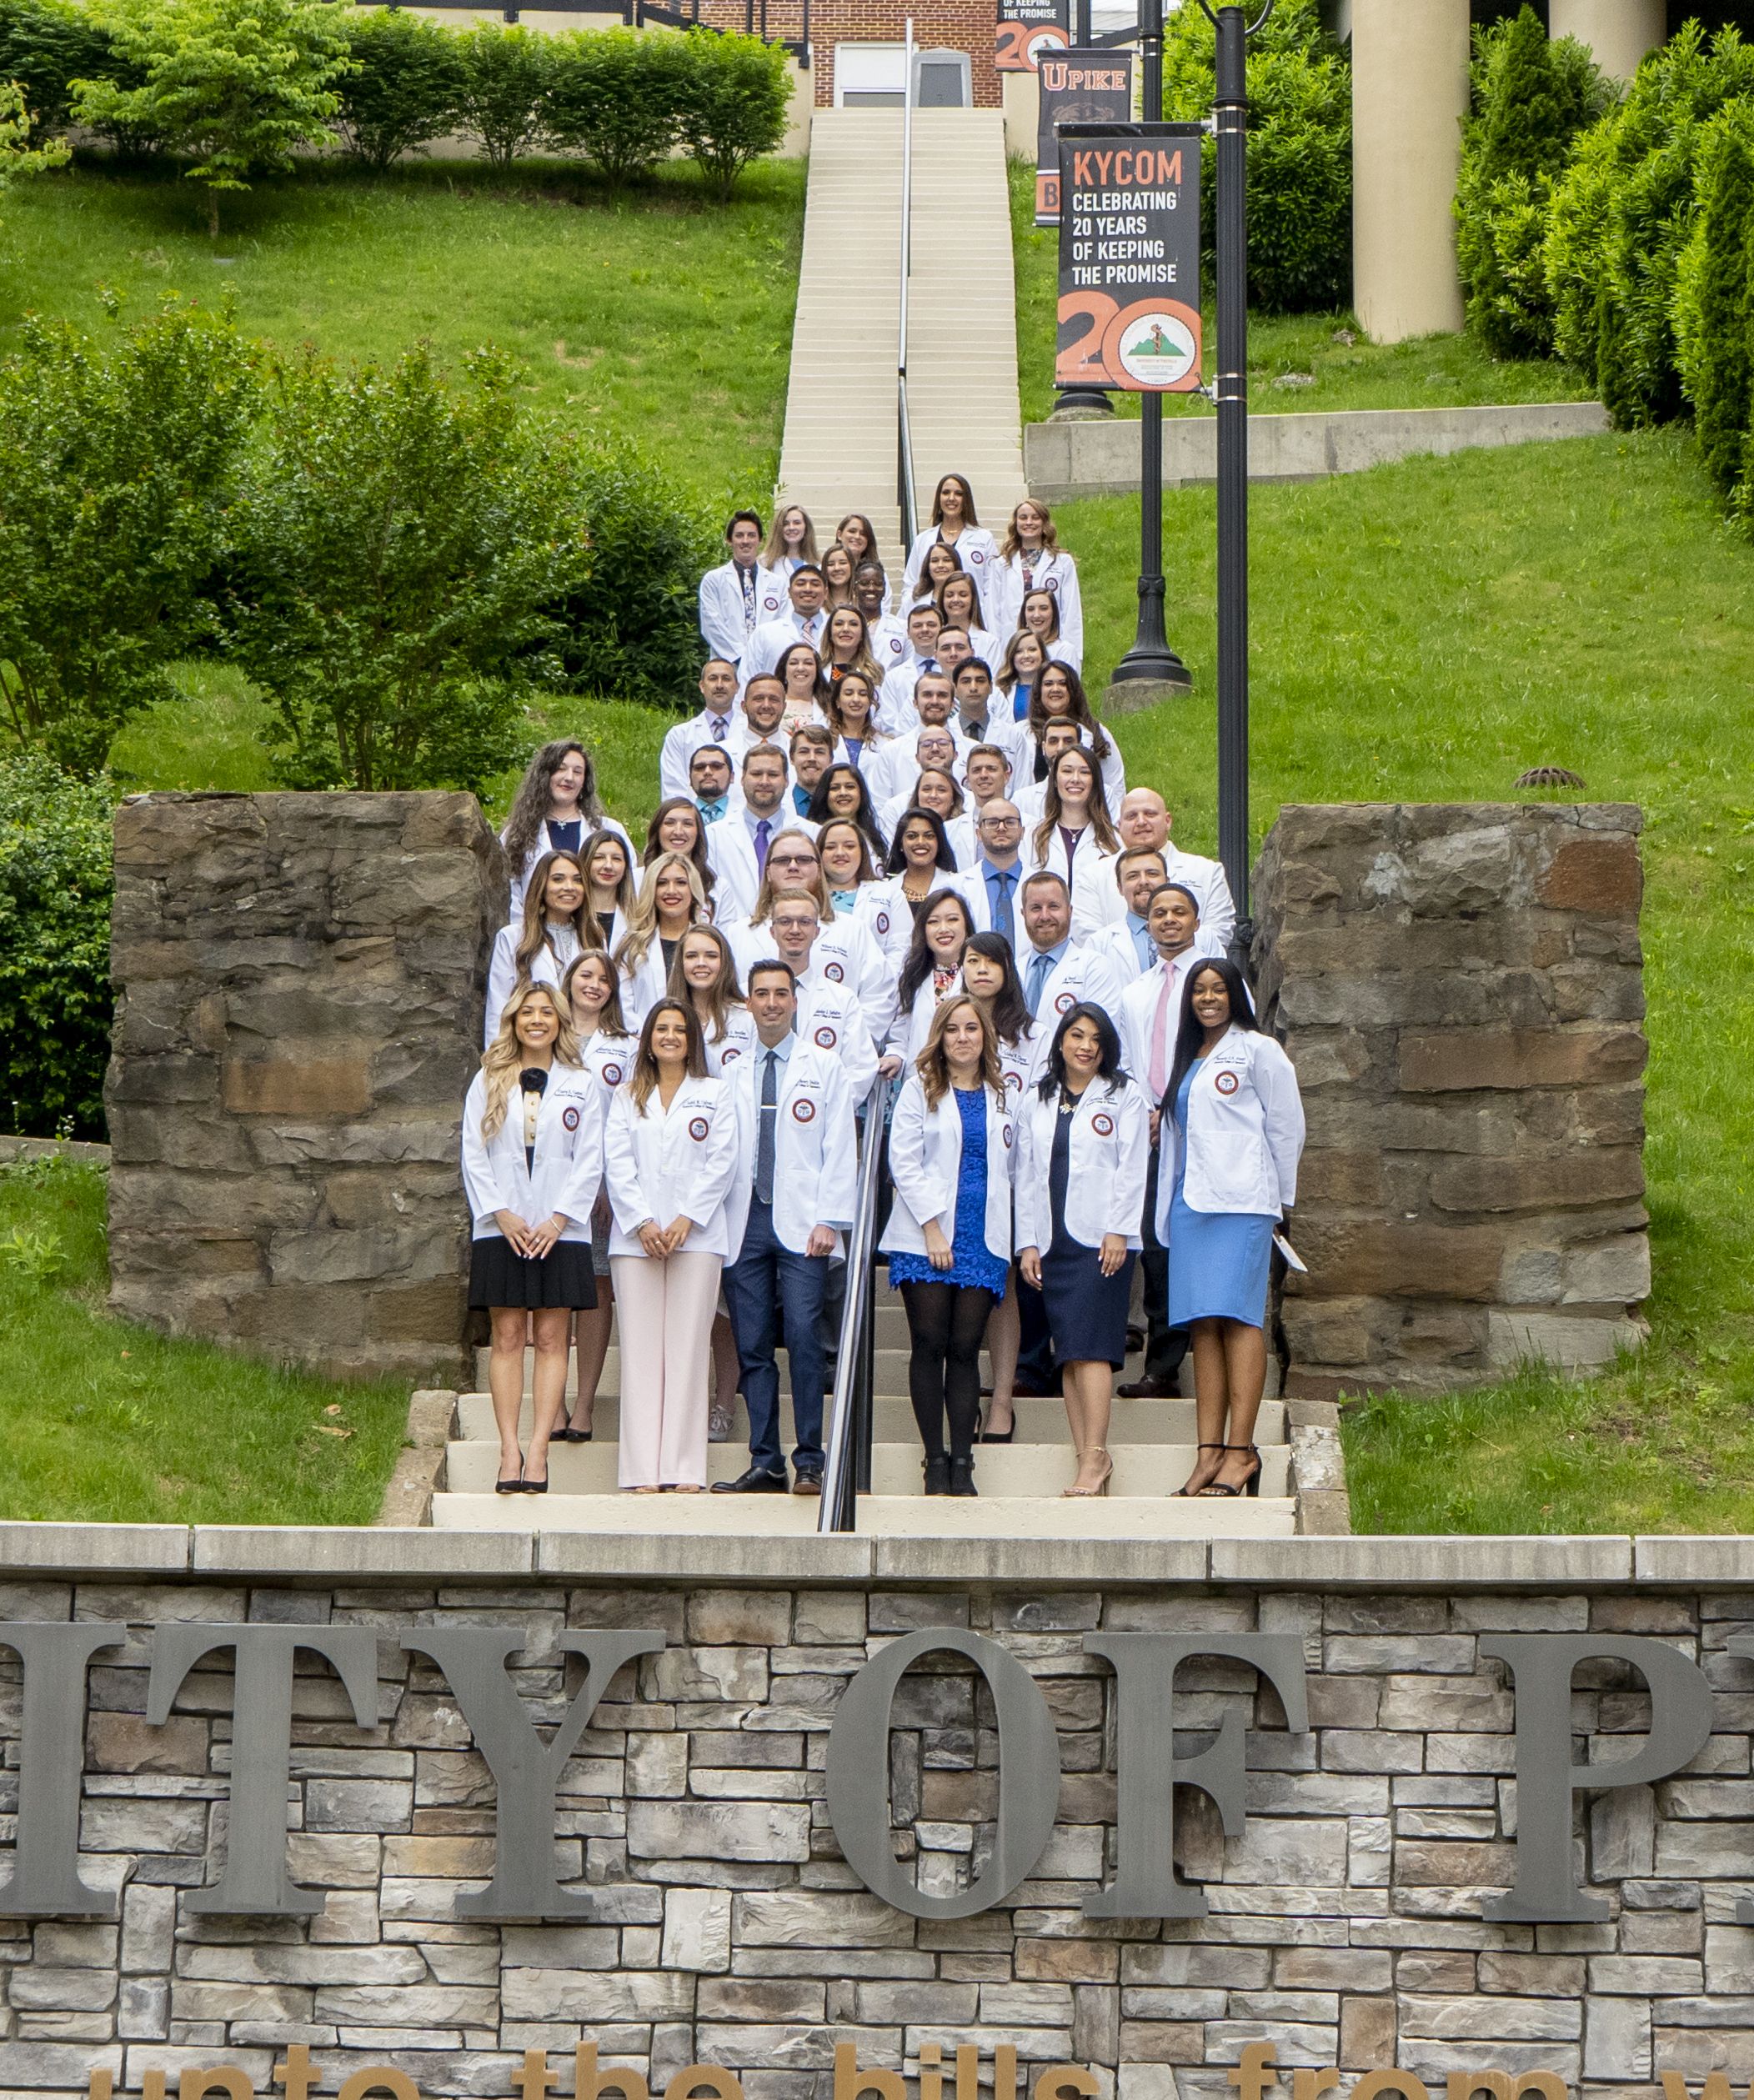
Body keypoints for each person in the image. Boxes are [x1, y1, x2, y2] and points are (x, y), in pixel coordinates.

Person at [1159, 956, 1305, 1498]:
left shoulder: (1258, 1050)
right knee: (1202, 1325)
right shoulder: (1186, 1055)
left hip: (1243, 1202)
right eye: (1199, 990)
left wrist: (1280, 1200)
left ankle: (1241, 1451)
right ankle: (1208, 1453)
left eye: (1218, 988)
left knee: (1240, 1319)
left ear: (1235, 994)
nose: (1208, 998)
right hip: (1190, 1204)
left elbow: (1287, 1124)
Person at [715, 960, 859, 1496]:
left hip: (804, 1224)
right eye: (762, 994)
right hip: (745, 1219)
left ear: (795, 1002)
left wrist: (829, 1220)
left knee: (802, 1335)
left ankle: (811, 1459)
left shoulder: (825, 1066)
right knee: (753, 1344)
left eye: (781, 993)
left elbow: (840, 1146)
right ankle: (766, 1459)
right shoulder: (730, 1071)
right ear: (748, 1003)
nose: (771, 1003)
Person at [461, 980, 602, 1495]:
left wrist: (559, 1219)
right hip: (502, 1227)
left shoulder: (581, 1083)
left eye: (546, 1012)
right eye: (527, 1013)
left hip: (560, 1231)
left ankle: (539, 1449)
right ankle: (508, 1449)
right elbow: (473, 1152)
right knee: (506, 1337)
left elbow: (591, 1157)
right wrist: (500, 1213)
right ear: (514, 1022)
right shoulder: (488, 1078)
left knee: (550, 1338)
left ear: (560, 1021)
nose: (537, 1020)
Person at [880, 996, 1014, 1496]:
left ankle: (963, 1462)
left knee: (964, 1350)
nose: (962, 1038)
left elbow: (1018, 1167)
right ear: (939, 1036)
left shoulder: (1004, 1094)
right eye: (953, 1029)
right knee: (930, 1344)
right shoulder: (920, 1089)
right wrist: (932, 1227)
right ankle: (934, 1461)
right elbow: (903, 1161)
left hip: (982, 1237)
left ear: (985, 1036)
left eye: (971, 1028)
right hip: (926, 1237)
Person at [604, 1000, 739, 1492]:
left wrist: (686, 1219)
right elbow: (617, 1162)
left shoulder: (715, 1093)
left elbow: (722, 1162)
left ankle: (683, 1467)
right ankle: (641, 1469)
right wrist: (642, 1222)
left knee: (687, 1349)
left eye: (680, 1029)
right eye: (661, 1028)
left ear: (692, 1040)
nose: (670, 1036)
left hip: (697, 1237)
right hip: (635, 1239)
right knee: (641, 1351)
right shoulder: (626, 1096)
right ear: (648, 1039)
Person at [1015, 1004, 1147, 1498]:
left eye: (1095, 1038)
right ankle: (1086, 1455)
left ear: (1107, 1046)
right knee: (1069, 1353)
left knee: (1091, 1348)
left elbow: (1132, 1167)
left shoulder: (1124, 1095)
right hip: (1052, 1239)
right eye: (1076, 1035)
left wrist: (1119, 1230)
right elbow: (1025, 1174)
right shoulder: (1038, 1096)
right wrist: (1027, 1242)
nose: (1086, 1046)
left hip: (1101, 1242)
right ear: (1061, 1042)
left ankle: (1097, 1455)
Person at [1117, 880, 1210, 1402]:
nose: (1169, 920)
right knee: (1154, 1247)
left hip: (1199, 1129)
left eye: (1179, 912)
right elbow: (1129, 1061)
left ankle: (1182, 1354)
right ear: (1147, 924)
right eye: (1159, 913)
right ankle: (1162, 1368)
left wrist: (1174, 1105)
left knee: (1189, 1242)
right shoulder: (1137, 991)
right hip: (1149, 1131)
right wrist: (1146, 1112)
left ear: (1196, 921)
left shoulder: (1214, 983)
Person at [957, 931, 1040, 1441]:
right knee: (957, 1289)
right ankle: (961, 1394)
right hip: (956, 1178)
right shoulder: (948, 1026)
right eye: (972, 961)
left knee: (1002, 1289)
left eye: (991, 961)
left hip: (1011, 1177)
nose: (982, 970)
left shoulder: (1032, 1036)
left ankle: (1002, 1401)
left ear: (1008, 970)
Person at [557, 952, 635, 1445]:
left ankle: (584, 1402)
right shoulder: (546, 1036)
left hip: (603, 1190)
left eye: (604, 979)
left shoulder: (625, 1046)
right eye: (586, 975)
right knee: (552, 1293)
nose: (594, 985)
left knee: (596, 1289)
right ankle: (554, 1401)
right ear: (568, 981)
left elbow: (625, 1121)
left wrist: (608, 1182)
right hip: (549, 1185)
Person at [1072, 786, 1238, 950]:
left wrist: (1173, 959)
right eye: (1132, 816)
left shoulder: (1208, 872)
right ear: (1119, 825)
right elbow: (1086, 936)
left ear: (1168, 820)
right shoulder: (1091, 876)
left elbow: (1219, 932)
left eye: (1150, 814)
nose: (1141, 822)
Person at [500, 741, 629, 919]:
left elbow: (629, 885)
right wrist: (525, 930)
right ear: (545, 776)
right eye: (561, 769)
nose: (569, 778)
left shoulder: (609, 829)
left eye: (577, 772)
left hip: (597, 928)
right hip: (532, 929)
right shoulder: (516, 833)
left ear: (584, 781)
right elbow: (508, 889)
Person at [484, 850, 592, 1047]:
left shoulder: (593, 938)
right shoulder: (513, 937)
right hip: (527, 1047)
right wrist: (496, 1055)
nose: (569, 887)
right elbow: (498, 1006)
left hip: (580, 1046)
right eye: (558, 879)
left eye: (577, 880)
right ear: (541, 886)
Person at [709, 745, 813, 923]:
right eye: (756, 774)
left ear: (787, 780)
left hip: (796, 931)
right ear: (742, 778)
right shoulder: (713, 836)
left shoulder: (811, 833)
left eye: (773, 774)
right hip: (731, 933)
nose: (764, 782)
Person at [884, 887, 975, 1075]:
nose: (943, 929)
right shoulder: (912, 977)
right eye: (933, 922)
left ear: (967, 925)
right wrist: (895, 1056)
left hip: (967, 1078)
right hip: (920, 1081)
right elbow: (901, 1035)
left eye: (952, 920)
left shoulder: (979, 977)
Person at [1017, 871, 1125, 1028]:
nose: (1045, 916)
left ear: (1070, 911)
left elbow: (1100, 1033)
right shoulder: (1013, 969)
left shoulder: (1096, 968)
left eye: (1053, 906)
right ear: (1023, 914)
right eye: (1036, 908)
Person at [614, 851, 709, 1028]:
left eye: (681, 882)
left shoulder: (710, 942)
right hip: (641, 1038)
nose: (671, 891)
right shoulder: (632, 944)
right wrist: (648, 1037)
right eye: (662, 883)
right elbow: (624, 1006)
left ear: (693, 889)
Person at [859, 809, 961, 970]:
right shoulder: (883, 890)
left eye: (929, 836)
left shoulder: (958, 885)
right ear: (900, 844)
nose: (920, 842)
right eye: (912, 836)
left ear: (939, 843)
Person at [992, 499, 1084, 667]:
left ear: (1044, 523)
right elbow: (993, 612)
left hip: (1052, 646)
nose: (1029, 522)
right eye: (1023, 517)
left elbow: (1071, 612)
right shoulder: (1002, 564)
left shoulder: (1062, 562)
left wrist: (1073, 657)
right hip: (1012, 644)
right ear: (1015, 523)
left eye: (1035, 517)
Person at [1029, 662, 1125, 814]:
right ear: (1038, 690)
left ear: (1072, 689)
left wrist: (1114, 817)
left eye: (1063, 683)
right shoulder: (1021, 732)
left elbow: (1115, 781)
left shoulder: (1096, 731)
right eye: (1048, 684)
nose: (1055, 689)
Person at [1025, 744, 1121, 894]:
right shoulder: (1032, 837)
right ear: (1055, 780)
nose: (1075, 779)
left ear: (1095, 781)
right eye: (1067, 771)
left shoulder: (1115, 841)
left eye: (1085, 772)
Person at [669, 924, 756, 1075]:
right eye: (691, 956)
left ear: (725, 962)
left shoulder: (747, 1018)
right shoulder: (665, 1018)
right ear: (680, 963)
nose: (701, 963)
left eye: (711, 956)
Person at [699, 512, 775, 669]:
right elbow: (712, 626)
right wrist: (743, 658)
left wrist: (760, 657)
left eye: (751, 535)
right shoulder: (713, 580)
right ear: (729, 540)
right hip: (728, 664)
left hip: (766, 664)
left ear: (760, 540)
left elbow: (780, 625)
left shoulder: (777, 583)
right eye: (739, 535)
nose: (745, 541)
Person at [905, 473, 998, 600]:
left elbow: (992, 587)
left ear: (966, 500)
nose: (951, 498)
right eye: (946, 493)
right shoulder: (922, 540)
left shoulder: (984, 538)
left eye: (958, 494)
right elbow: (910, 584)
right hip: (929, 610)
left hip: (971, 610)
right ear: (939, 498)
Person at [660, 659, 741, 798]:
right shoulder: (679, 736)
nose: (719, 685)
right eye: (713, 678)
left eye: (726, 679)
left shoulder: (749, 731)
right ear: (702, 686)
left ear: (737, 687)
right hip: (692, 810)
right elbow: (673, 790)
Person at [956, 798, 1026, 947]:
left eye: (1010, 822)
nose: (1001, 828)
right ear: (978, 833)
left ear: (1022, 832)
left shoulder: (1042, 882)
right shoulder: (957, 887)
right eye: (992, 822)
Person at [644, 799, 719, 925]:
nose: (678, 832)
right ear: (657, 830)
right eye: (670, 823)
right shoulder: (635, 880)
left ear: (698, 832)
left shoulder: (719, 887)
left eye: (687, 824)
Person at [746, 567, 829, 679]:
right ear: (789, 592)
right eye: (801, 584)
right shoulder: (765, 633)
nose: (808, 589)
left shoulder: (836, 631)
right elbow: (748, 676)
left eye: (815, 584)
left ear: (826, 593)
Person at [807, 760, 887, 856]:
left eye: (850, 787)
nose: (843, 793)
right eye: (835, 788)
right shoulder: (812, 837)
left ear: (861, 793)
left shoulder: (874, 839)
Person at [822, 669, 889, 775]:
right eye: (849, 693)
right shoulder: (823, 740)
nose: (856, 699)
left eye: (863, 694)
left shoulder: (885, 744)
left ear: (870, 701)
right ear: (837, 701)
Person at [583, 829, 637, 955]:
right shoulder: (572, 915)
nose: (608, 866)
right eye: (599, 858)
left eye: (616, 859)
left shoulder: (639, 918)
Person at [935, 571, 1000, 672]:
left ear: (973, 599)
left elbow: (993, 679)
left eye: (963, 595)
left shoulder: (989, 642)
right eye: (950, 595)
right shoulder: (934, 639)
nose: (955, 600)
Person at [818, 816, 881, 915]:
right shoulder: (806, 896)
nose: (840, 853)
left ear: (862, 852)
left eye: (849, 846)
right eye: (830, 847)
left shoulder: (886, 893)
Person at [1012, 585, 1080, 676]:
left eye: (1043, 608)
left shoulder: (1065, 651)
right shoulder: (1013, 651)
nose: (1036, 615)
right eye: (1031, 609)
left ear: (1053, 614)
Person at [823, 606, 885, 695]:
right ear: (829, 633)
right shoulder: (818, 670)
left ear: (862, 634)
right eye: (839, 624)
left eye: (853, 624)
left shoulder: (875, 671)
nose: (846, 629)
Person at [773, 639, 830, 734]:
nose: (800, 668)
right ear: (784, 670)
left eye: (808, 663)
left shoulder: (830, 707)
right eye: (793, 663)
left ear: (817, 670)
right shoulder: (770, 704)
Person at [763, 503, 819, 580]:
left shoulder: (817, 564)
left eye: (797, 523)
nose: (791, 528)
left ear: (806, 527)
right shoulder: (765, 562)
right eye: (785, 524)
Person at [789, 724, 836, 817]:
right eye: (804, 751)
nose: (812, 758)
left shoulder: (840, 805)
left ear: (830, 760)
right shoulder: (780, 804)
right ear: (792, 758)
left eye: (819, 752)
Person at [689, 745, 735, 827]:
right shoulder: (676, 816)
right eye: (700, 767)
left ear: (731, 777)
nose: (707, 772)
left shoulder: (746, 816)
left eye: (716, 766)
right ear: (690, 778)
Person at [820, 541, 858, 608]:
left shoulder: (862, 601)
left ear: (852, 566)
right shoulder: (817, 603)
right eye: (831, 564)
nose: (837, 568)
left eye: (843, 563)